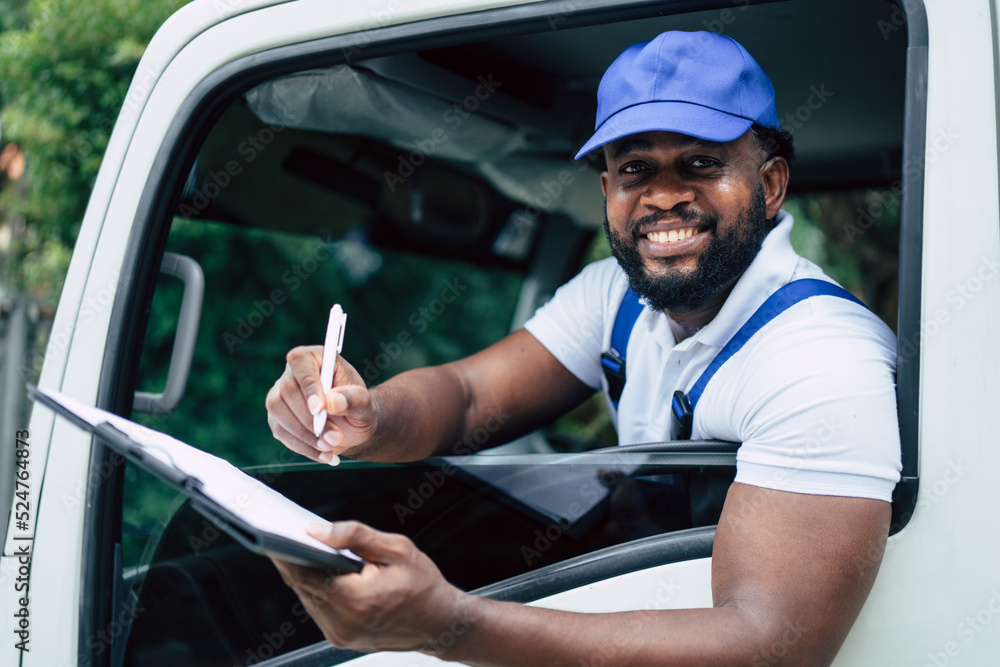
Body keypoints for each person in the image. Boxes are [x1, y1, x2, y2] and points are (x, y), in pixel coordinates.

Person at [265, 30, 901, 665]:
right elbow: (468, 398)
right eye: (635, 170)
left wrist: (449, 624)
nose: (662, 196)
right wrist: (367, 416)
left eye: (701, 163)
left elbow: (770, 647)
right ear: (607, 193)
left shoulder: (821, 359)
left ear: (769, 185)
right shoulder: (614, 296)